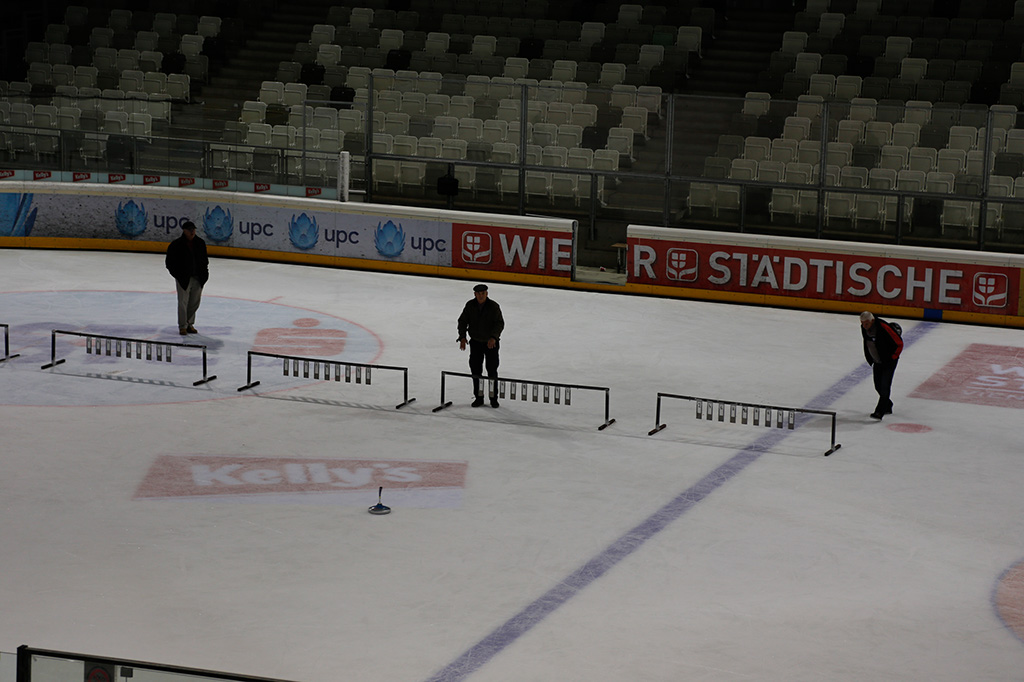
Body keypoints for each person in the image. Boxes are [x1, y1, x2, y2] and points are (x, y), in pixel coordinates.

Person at [458, 283, 504, 407]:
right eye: (478, 293)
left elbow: (499, 323)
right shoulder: (470, 305)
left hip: (491, 345)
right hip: (476, 343)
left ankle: (493, 398)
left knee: (492, 371)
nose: (481, 295)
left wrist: (494, 337)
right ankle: (479, 397)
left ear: (487, 293)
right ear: (475, 294)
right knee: (476, 370)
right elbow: (462, 321)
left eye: (483, 293)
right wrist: (462, 337)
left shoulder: (494, 306)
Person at [165, 220, 209, 335]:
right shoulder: (176, 245)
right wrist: (178, 275)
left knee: (194, 302)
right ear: (184, 231)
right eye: (189, 230)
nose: (192, 232)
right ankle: (183, 326)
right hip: (183, 278)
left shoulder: (200, 243)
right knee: (183, 303)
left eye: (193, 229)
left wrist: (205, 275)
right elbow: (169, 263)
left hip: (198, 278)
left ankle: (189, 324)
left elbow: (204, 261)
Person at [860, 311, 903, 419]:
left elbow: (899, 343)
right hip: (877, 361)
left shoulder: (883, 327)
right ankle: (888, 405)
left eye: (866, 324)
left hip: (889, 362)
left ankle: (879, 412)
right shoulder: (864, 328)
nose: (864, 326)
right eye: (862, 323)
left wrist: (892, 358)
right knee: (878, 385)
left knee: (885, 386)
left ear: (872, 321)